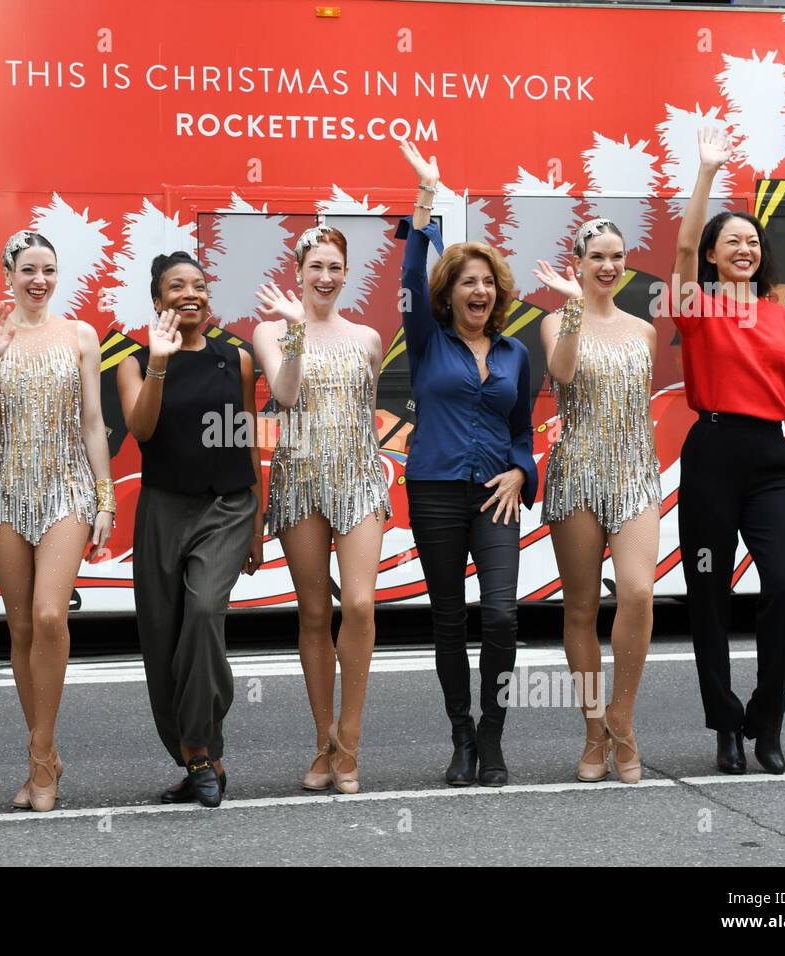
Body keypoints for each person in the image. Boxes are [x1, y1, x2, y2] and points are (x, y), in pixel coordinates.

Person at [0, 230, 114, 812]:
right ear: (9, 274)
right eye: (28, 270)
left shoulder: (81, 335)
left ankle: (42, 760)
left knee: (49, 614)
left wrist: (104, 498)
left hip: (67, 488)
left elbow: (94, 421)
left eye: (48, 269)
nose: (39, 280)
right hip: (4, 494)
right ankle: (43, 752)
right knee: (20, 630)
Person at [671, 128, 785, 776]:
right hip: (712, 454)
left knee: (784, 586)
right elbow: (679, 247)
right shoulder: (694, 303)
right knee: (707, 592)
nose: (745, 249)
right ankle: (726, 726)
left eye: (752, 242)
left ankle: (768, 717)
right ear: (712, 254)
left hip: (770, 462)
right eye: (732, 241)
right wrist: (706, 175)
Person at [396, 141, 538, 787]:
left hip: (495, 496)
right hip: (433, 491)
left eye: (486, 281)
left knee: (503, 613)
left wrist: (520, 470)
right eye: (466, 282)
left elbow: (520, 430)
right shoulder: (427, 343)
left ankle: (493, 735)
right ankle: (459, 735)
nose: (478, 289)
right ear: (447, 296)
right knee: (449, 617)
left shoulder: (514, 353)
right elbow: (408, 275)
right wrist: (426, 197)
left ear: (496, 292)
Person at [117, 252, 263, 807]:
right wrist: (159, 362)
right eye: (175, 287)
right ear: (158, 302)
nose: (189, 293)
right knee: (163, 638)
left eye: (198, 285)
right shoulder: (133, 362)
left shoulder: (237, 359)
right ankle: (199, 756)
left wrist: (257, 524)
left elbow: (245, 437)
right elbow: (142, 429)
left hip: (226, 508)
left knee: (203, 613)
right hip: (162, 510)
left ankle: (199, 751)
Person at [252, 225, 390, 795]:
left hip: (358, 482)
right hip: (298, 482)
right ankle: (322, 742)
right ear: (299, 272)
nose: (326, 277)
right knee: (314, 614)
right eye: (316, 267)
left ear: (346, 272)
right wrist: (294, 334)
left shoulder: (367, 338)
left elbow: (367, 415)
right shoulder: (270, 329)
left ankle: (350, 743)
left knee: (358, 605)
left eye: (335, 267)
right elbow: (285, 396)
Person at [535, 219, 661, 785]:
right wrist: (572, 312)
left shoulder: (644, 331)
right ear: (578, 262)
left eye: (616, 256)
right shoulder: (554, 322)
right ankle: (593, 732)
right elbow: (562, 374)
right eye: (597, 258)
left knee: (637, 592)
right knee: (581, 609)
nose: (608, 267)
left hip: (634, 475)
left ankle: (623, 720)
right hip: (576, 476)